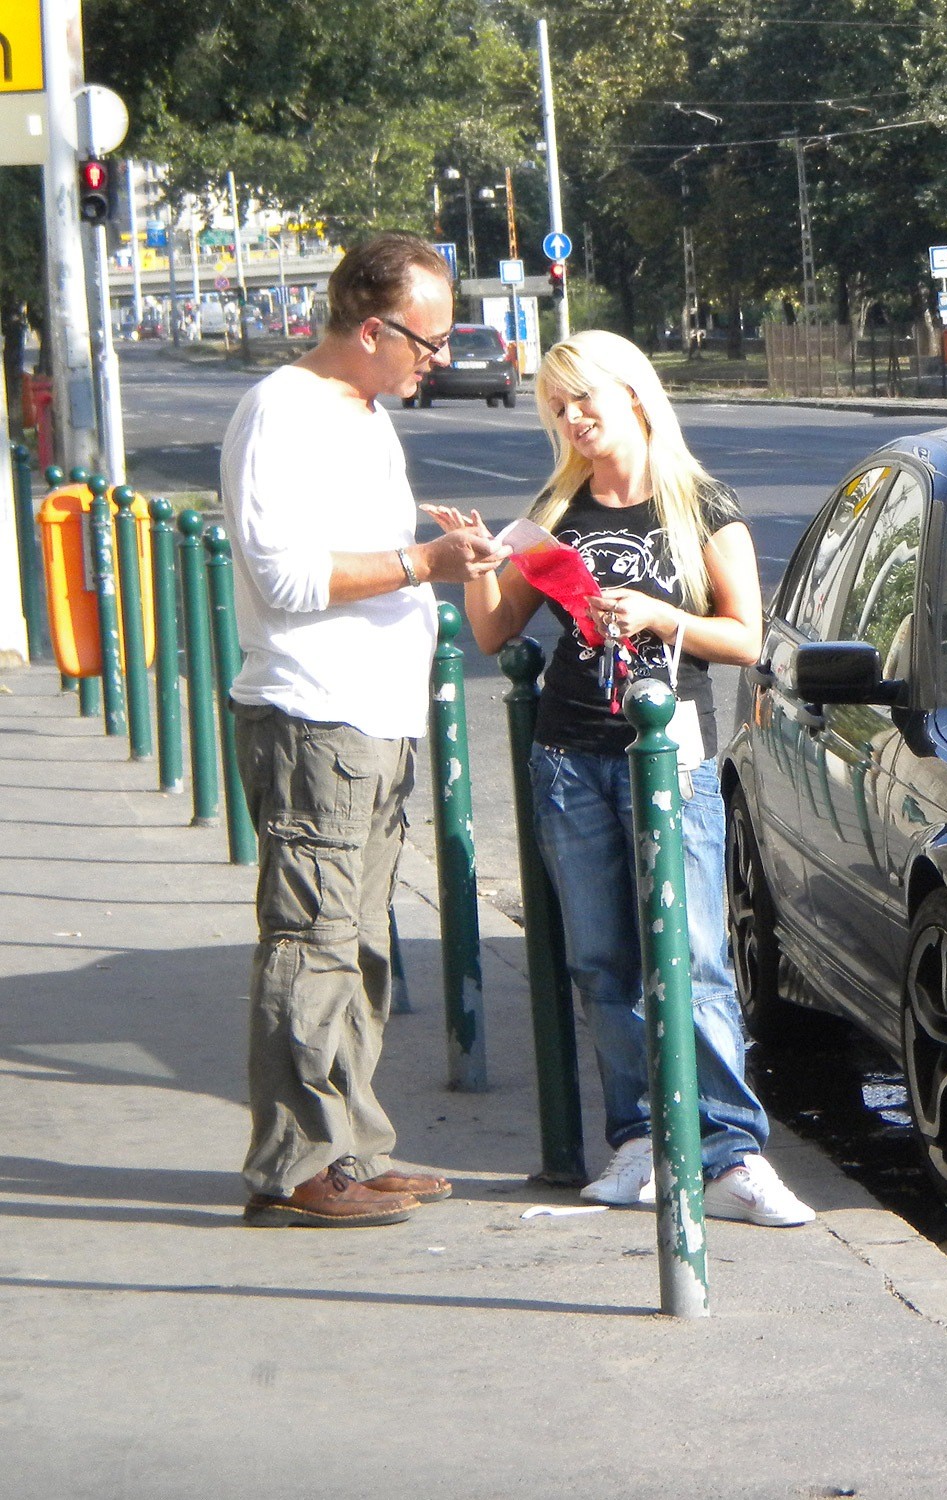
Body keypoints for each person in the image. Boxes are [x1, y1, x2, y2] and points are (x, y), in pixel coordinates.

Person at [454, 329, 813, 1227]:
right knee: (603, 961)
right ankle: (640, 1140)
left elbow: (747, 638)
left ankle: (731, 1155)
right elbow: (497, 633)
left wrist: (659, 615)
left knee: (691, 959)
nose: (572, 417)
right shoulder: (556, 510)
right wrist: (477, 570)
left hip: (670, 759)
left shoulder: (700, 505)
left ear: (636, 396)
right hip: (571, 759)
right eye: (557, 404)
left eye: (585, 399)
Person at [224, 233, 507, 1228]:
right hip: (316, 716)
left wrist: (426, 550)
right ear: (374, 326)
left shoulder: (365, 416)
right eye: (428, 344)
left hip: (374, 721)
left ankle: (352, 1144)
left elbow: (371, 554)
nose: (437, 361)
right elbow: (290, 580)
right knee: (312, 943)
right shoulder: (283, 413)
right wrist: (417, 563)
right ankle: (298, 1164)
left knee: (361, 947)